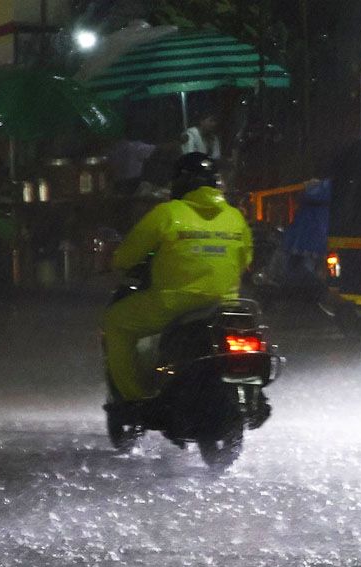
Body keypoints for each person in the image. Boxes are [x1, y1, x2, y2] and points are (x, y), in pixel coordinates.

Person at [102, 153, 252, 404]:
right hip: (225, 306)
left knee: (115, 322)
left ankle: (134, 398)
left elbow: (126, 257)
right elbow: (245, 261)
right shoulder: (235, 217)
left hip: (173, 304)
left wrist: (115, 259)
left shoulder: (167, 214)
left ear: (178, 184)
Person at [281, 178, 331, 286]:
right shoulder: (325, 206)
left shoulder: (305, 207)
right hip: (318, 245)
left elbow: (296, 228)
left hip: (300, 246)